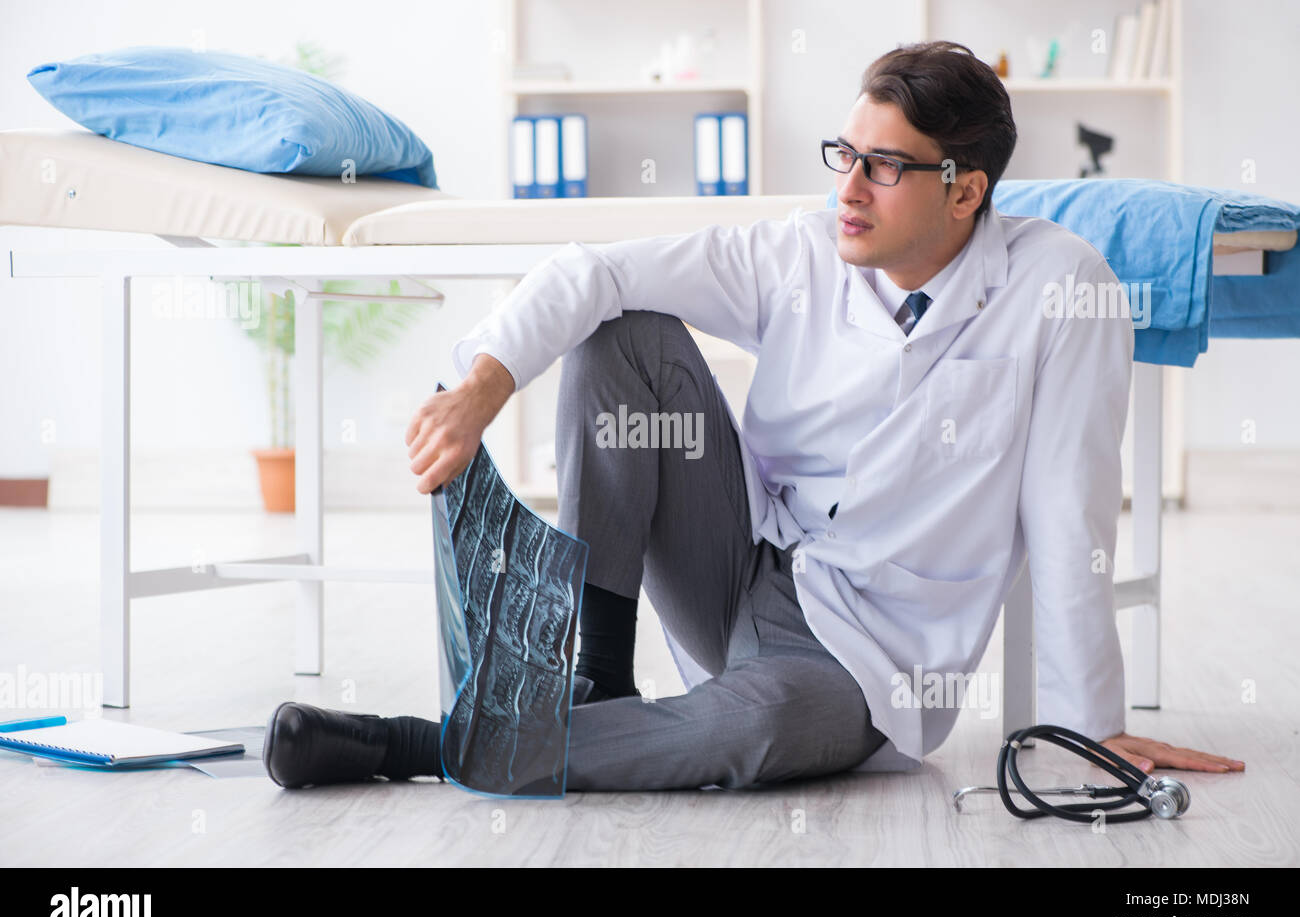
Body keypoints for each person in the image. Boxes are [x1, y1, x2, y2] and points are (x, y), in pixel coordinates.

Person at [263, 40, 1244, 792]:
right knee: (626, 331)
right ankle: (597, 680)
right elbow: (594, 270)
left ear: (965, 190)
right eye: (844, 155)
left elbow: (1072, 511)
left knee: (759, 720)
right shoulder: (799, 255)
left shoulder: (1062, 292)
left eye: (884, 168)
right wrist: (486, 382)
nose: (846, 191)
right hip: (737, 573)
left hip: (868, 666)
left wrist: (1089, 725)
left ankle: (420, 747)